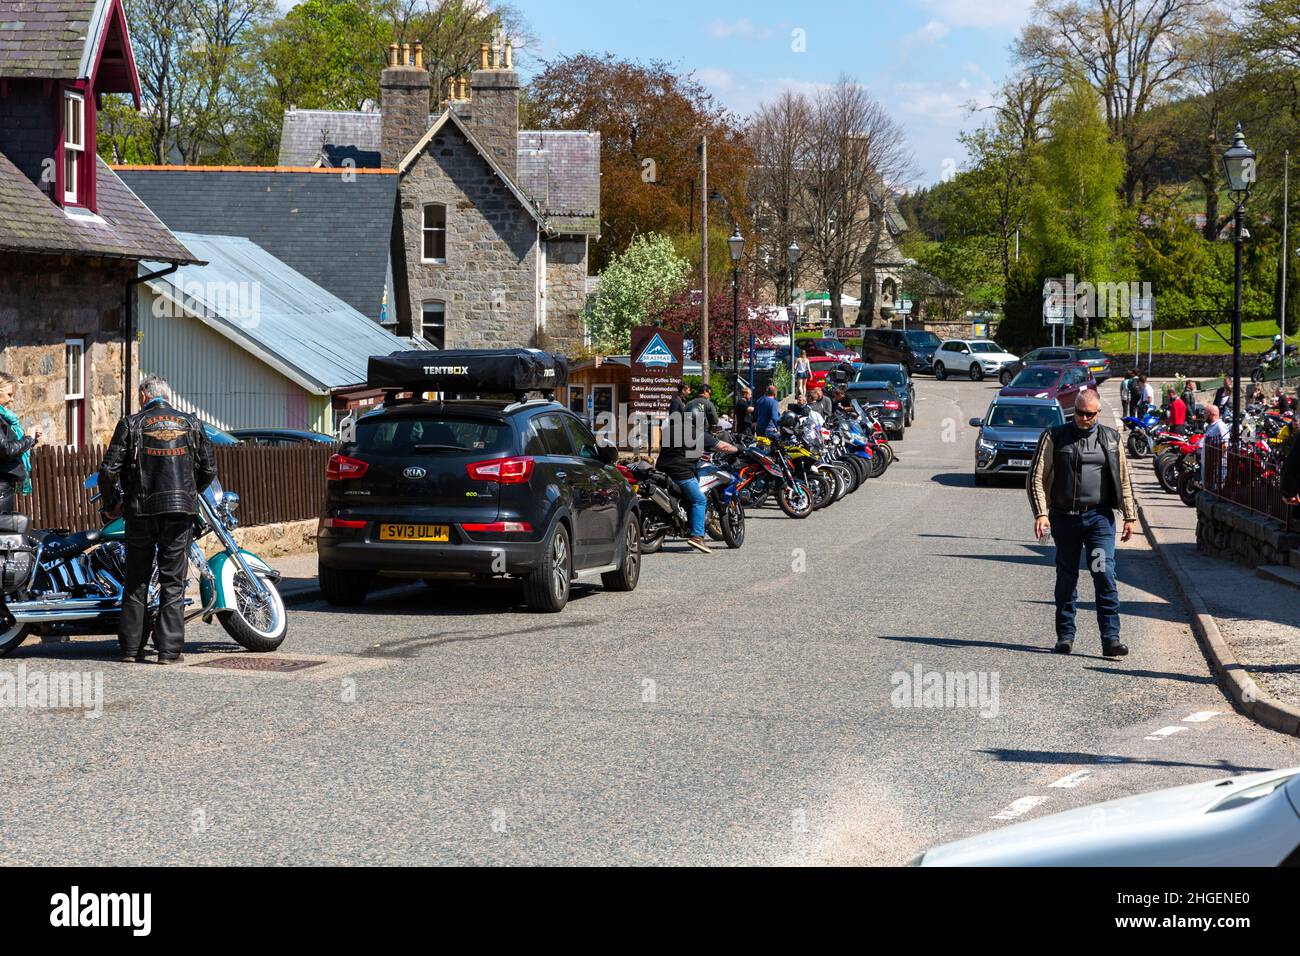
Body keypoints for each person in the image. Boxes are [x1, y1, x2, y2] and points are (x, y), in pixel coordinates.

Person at [98, 376, 217, 664]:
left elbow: (107, 471)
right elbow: (209, 468)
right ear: (166, 396)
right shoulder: (190, 423)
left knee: (136, 579)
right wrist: (190, 492)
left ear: (143, 396)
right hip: (179, 512)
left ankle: (130, 649)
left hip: (140, 510)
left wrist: (113, 504)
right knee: (173, 581)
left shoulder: (131, 423)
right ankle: (168, 650)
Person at [1028, 389, 1138, 658]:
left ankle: (1110, 639)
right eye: (1079, 412)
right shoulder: (1054, 436)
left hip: (1098, 519)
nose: (1084, 418)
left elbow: (1123, 478)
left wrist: (1129, 515)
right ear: (1073, 410)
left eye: (1089, 414)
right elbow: (1036, 477)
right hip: (1065, 519)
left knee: (1103, 573)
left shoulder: (1111, 439)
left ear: (1098, 413)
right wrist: (1041, 513)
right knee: (1067, 577)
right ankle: (1065, 636)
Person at [0, 372, 41, 515]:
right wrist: (27, 439)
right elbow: (6, 450)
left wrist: (31, 439)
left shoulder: (5, 418)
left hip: (6, 485)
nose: (11, 400)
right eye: (9, 395)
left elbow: (9, 444)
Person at [1200, 403, 1230, 490]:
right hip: (1208, 464)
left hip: (1217, 466)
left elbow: (1225, 444)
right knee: (1207, 489)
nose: (1204, 416)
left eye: (1206, 413)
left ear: (1211, 414)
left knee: (1215, 491)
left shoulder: (1220, 426)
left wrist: (1216, 461)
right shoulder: (1211, 426)